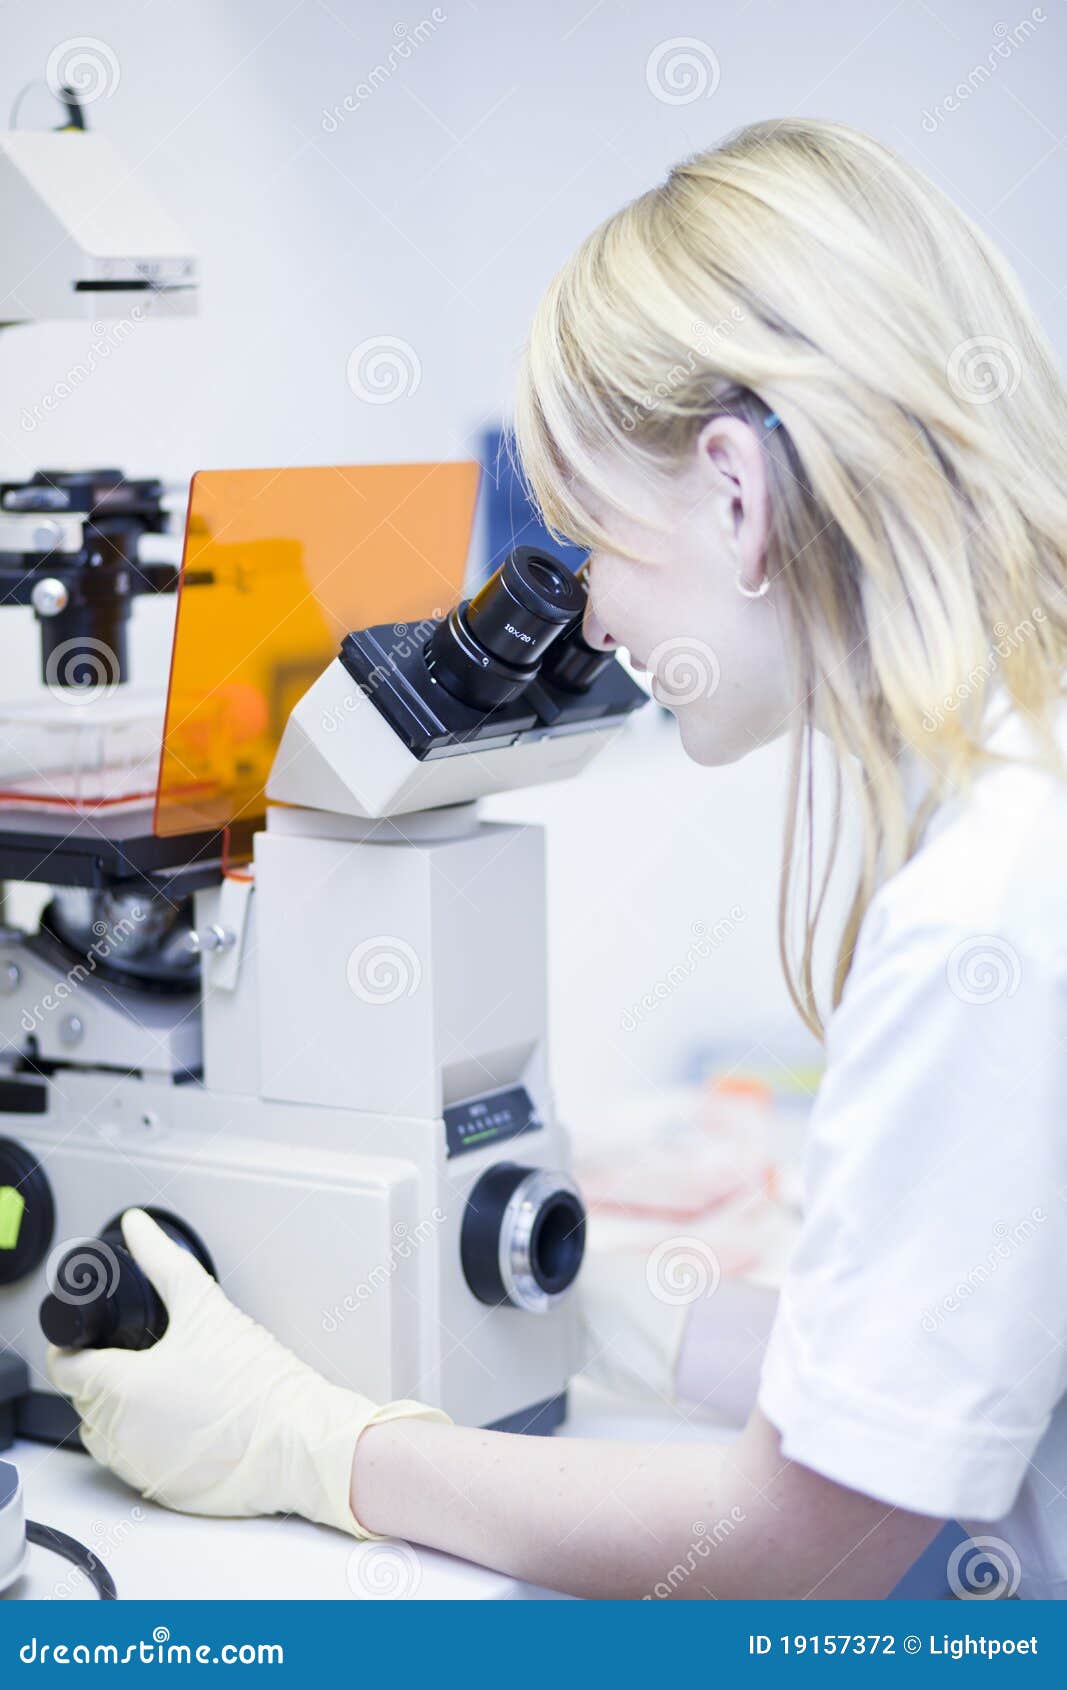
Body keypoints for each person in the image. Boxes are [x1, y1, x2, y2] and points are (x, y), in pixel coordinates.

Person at [50, 117, 1067, 1601]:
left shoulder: (995, 903)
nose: (587, 622)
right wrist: (608, 1311)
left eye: (593, 540)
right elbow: (976, 1347)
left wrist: (317, 1443)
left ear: (736, 492)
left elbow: (794, 1549)